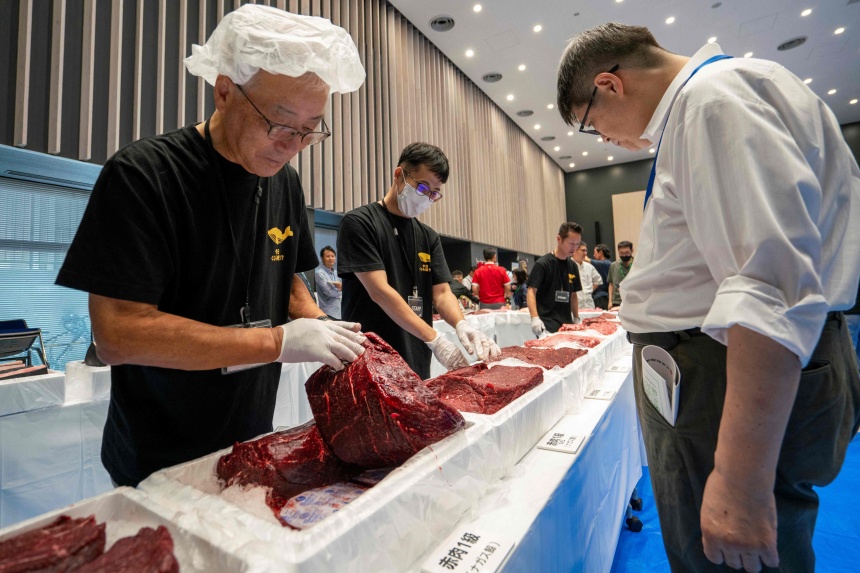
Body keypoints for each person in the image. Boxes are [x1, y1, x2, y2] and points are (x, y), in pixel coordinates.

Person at [558, 22, 860, 572]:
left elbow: (768, 289)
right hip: (713, 368)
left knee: (730, 552)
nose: (603, 138)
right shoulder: (717, 101)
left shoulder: (713, 103)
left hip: (721, 375)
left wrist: (741, 479)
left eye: (591, 124)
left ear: (610, 84)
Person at [54, 6, 368, 487]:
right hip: (159, 452)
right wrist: (277, 342)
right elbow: (118, 334)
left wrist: (328, 330)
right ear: (224, 91)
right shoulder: (145, 175)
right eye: (280, 123)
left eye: (311, 129)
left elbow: (288, 287)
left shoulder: (284, 182)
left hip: (249, 437)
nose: (293, 143)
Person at [337, 143, 499, 379]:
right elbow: (379, 291)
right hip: (369, 357)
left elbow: (442, 293)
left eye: (434, 193)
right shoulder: (360, 222)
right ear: (399, 175)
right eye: (422, 187)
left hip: (416, 355)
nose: (427, 198)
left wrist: (462, 324)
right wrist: (435, 338)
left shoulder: (428, 236)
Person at [527, 222, 584, 337]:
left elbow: (573, 295)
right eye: (571, 243)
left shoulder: (572, 266)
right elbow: (531, 291)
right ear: (559, 239)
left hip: (567, 325)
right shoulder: (543, 264)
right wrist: (534, 318)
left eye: (577, 244)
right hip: (547, 324)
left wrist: (576, 318)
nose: (574, 248)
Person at [573, 241, 602, 310]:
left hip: (589, 304)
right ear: (574, 250)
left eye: (586, 250)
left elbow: (598, 280)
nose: (585, 253)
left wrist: (589, 290)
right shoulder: (568, 266)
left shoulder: (589, 266)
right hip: (575, 304)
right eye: (583, 250)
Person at [315, 246, 342, 319]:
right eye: (328, 256)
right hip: (328, 313)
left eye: (333, 256)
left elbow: (341, 288)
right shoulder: (320, 273)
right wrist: (340, 290)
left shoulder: (336, 273)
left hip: (339, 312)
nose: (331, 258)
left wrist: (340, 289)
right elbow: (329, 293)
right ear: (322, 258)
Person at [607, 240, 633, 310]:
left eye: (627, 252)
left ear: (632, 251)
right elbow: (611, 284)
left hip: (632, 301)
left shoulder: (636, 266)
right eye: (621, 253)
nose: (624, 255)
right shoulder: (613, 265)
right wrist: (610, 301)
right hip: (617, 301)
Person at [591, 244, 612, 310]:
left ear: (600, 253)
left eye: (595, 253)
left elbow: (588, 260)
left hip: (602, 297)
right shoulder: (603, 263)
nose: (594, 255)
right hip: (599, 296)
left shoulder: (605, 263)